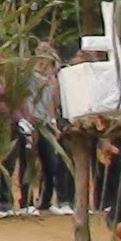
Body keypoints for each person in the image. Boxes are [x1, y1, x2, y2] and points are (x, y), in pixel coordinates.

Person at [24, 55, 70, 215]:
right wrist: (29, 120)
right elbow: (25, 99)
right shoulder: (30, 77)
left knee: (51, 163)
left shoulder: (51, 80)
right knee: (28, 162)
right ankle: (26, 201)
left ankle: (47, 199)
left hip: (46, 123)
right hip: (32, 121)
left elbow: (52, 103)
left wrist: (53, 122)